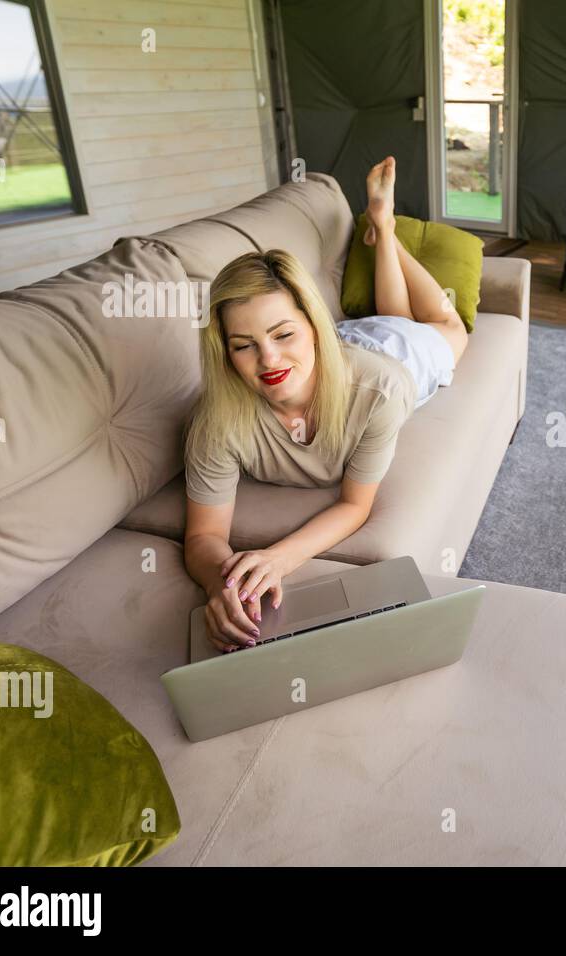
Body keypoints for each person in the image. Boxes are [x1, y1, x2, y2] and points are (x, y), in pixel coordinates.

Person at [182, 157, 467, 653]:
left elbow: (356, 504)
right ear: (225, 352)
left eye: (283, 334)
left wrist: (277, 559)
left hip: (391, 358)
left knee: (446, 325)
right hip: (341, 345)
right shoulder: (216, 421)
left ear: (313, 326)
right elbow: (202, 537)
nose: (268, 360)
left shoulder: (381, 391)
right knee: (393, 313)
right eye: (244, 345)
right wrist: (220, 585)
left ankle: (385, 227)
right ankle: (381, 227)